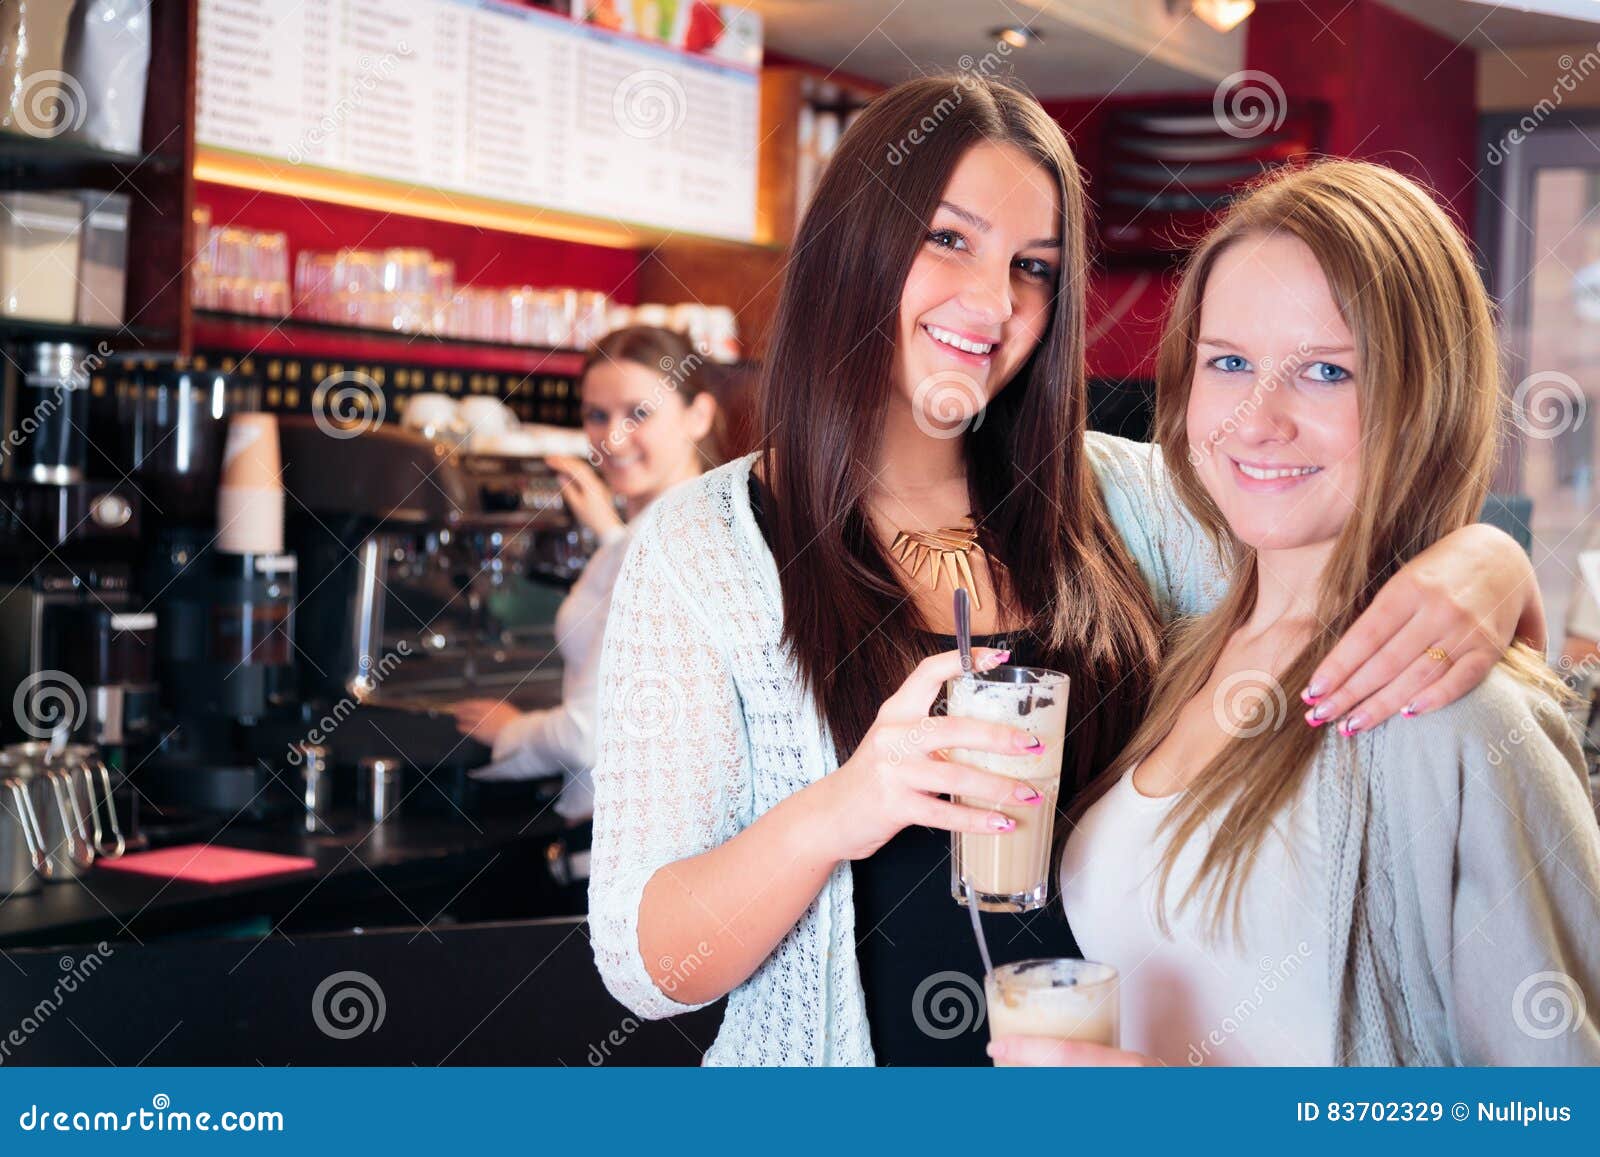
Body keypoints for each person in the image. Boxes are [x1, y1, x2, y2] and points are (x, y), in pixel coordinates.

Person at [588, 77, 1549, 1067]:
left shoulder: (1141, 498)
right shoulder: (704, 547)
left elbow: (1342, 554)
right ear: (852, 244)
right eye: (947, 239)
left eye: (1033, 267)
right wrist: (841, 807)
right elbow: (644, 965)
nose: (992, 301)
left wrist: (1492, 558)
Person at [990, 160, 1600, 1067]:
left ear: (1422, 398)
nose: (1257, 418)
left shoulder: (1457, 713)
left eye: (1324, 371)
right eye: (1229, 362)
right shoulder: (1188, 647)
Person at [452, 325, 719, 825]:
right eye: (598, 415)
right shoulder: (703, 521)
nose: (613, 437)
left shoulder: (655, 544)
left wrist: (511, 730)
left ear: (698, 415)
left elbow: (588, 737)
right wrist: (611, 534)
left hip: (625, 849)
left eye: (639, 413)